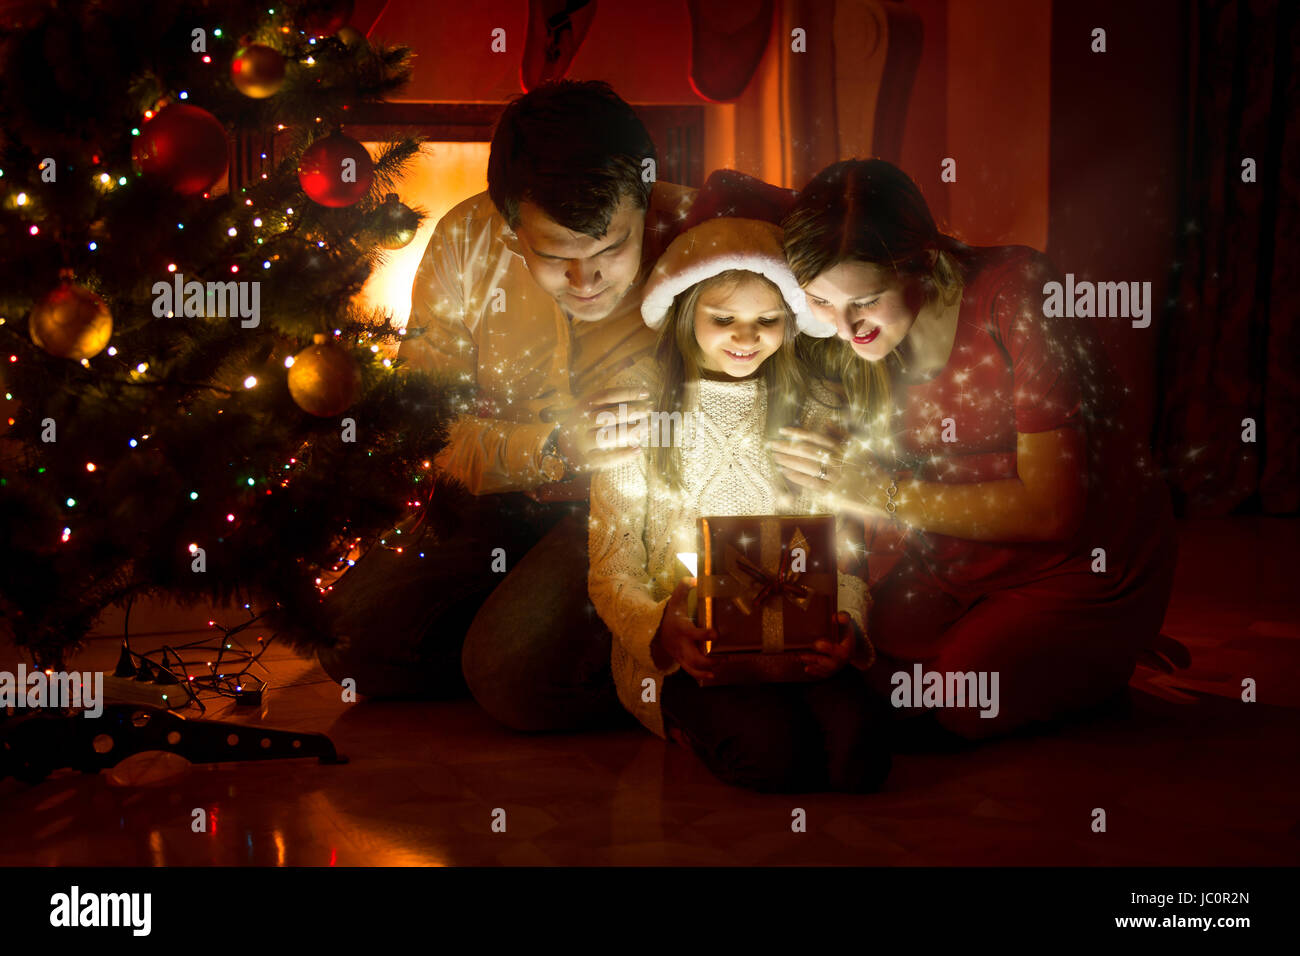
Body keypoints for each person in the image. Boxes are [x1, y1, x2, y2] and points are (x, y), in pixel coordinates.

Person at [316, 81, 695, 732]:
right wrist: (553, 447)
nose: (588, 282)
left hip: (621, 525)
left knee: (513, 678)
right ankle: (521, 646)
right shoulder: (465, 241)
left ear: (646, 202)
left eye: (611, 250)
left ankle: (533, 656)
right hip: (495, 506)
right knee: (344, 642)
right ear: (511, 225)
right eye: (557, 258)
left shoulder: (697, 235)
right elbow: (426, 429)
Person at [771, 158, 1178, 740]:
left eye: (866, 299)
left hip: (1080, 566)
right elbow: (723, 194)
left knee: (952, 702)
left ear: (927, 260)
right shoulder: (850, 333)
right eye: (819, 300)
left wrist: (874, 490)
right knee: (847, 659)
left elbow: (1052, 513)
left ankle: (1098, 657)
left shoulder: (1018, 294)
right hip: (957, 561)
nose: (843, 325)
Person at [588, 216, 892, 792]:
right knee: (773, 759)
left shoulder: (815, 405)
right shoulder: (637, 407)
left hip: (793, 646)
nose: (746, 337)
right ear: (684, 313)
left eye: (767, 320)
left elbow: (846, 550)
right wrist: (662, 629)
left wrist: (845, 620)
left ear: (792, 321)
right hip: (691, 655)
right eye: (723, 318)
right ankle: (692, 724)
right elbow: (611, 568)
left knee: (864, 755)